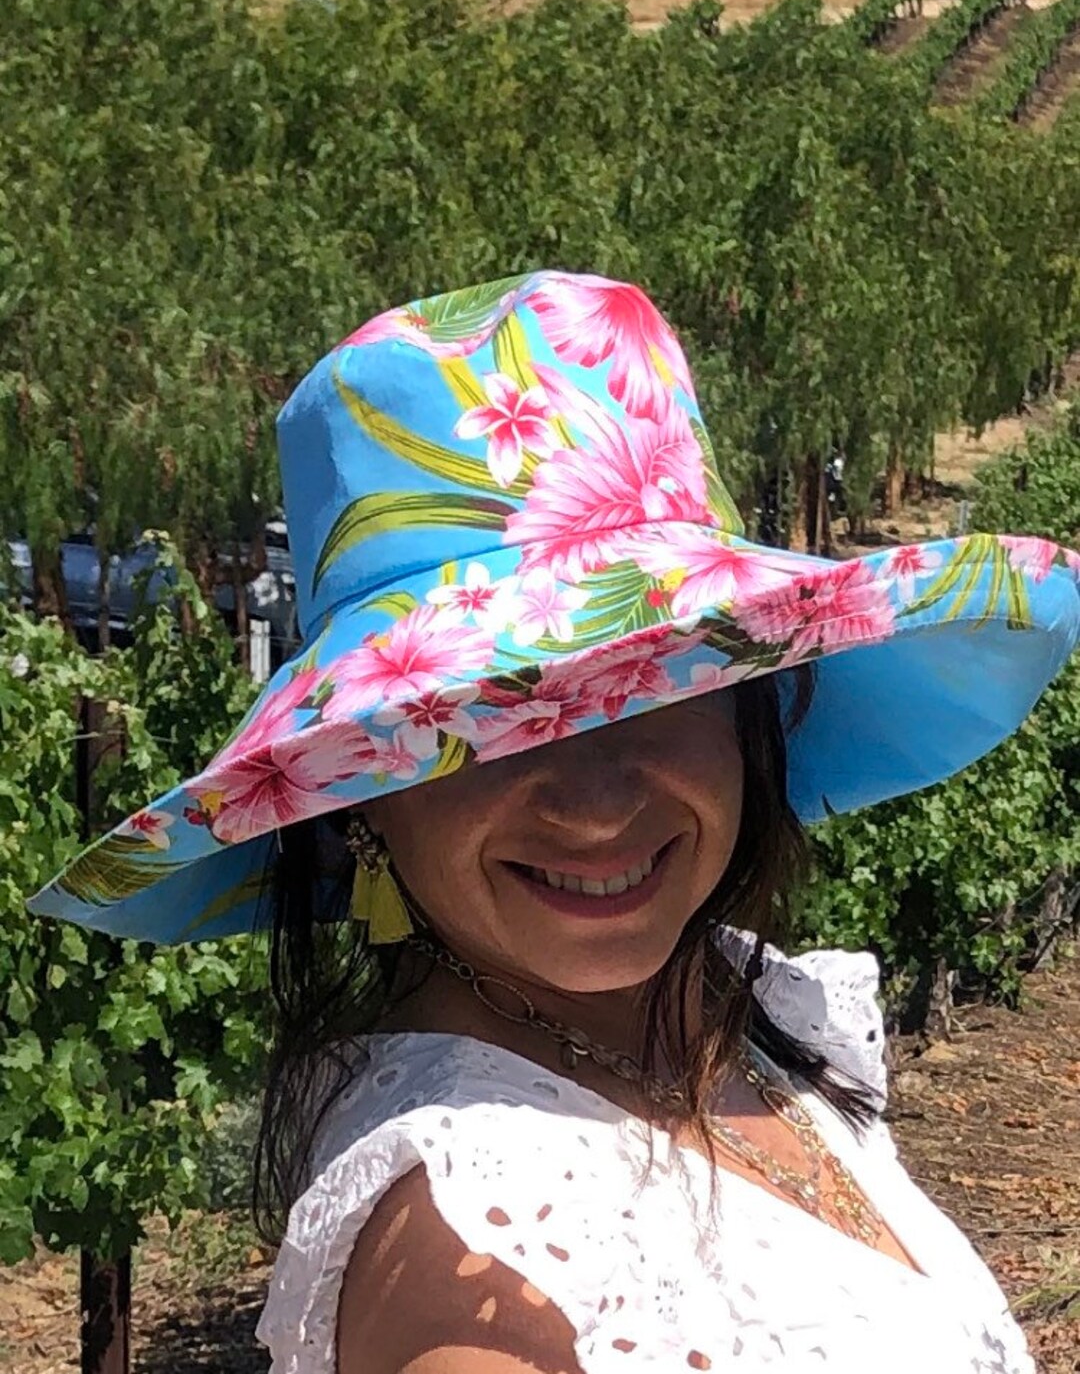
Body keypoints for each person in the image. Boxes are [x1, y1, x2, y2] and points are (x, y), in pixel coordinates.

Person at [29, 270, 1080, 1373]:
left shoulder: (724, 1010)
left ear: (746, 708)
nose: (595, 799)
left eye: (655, 687)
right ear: (363, 796)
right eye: (480, 730)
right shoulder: (470, 1263)